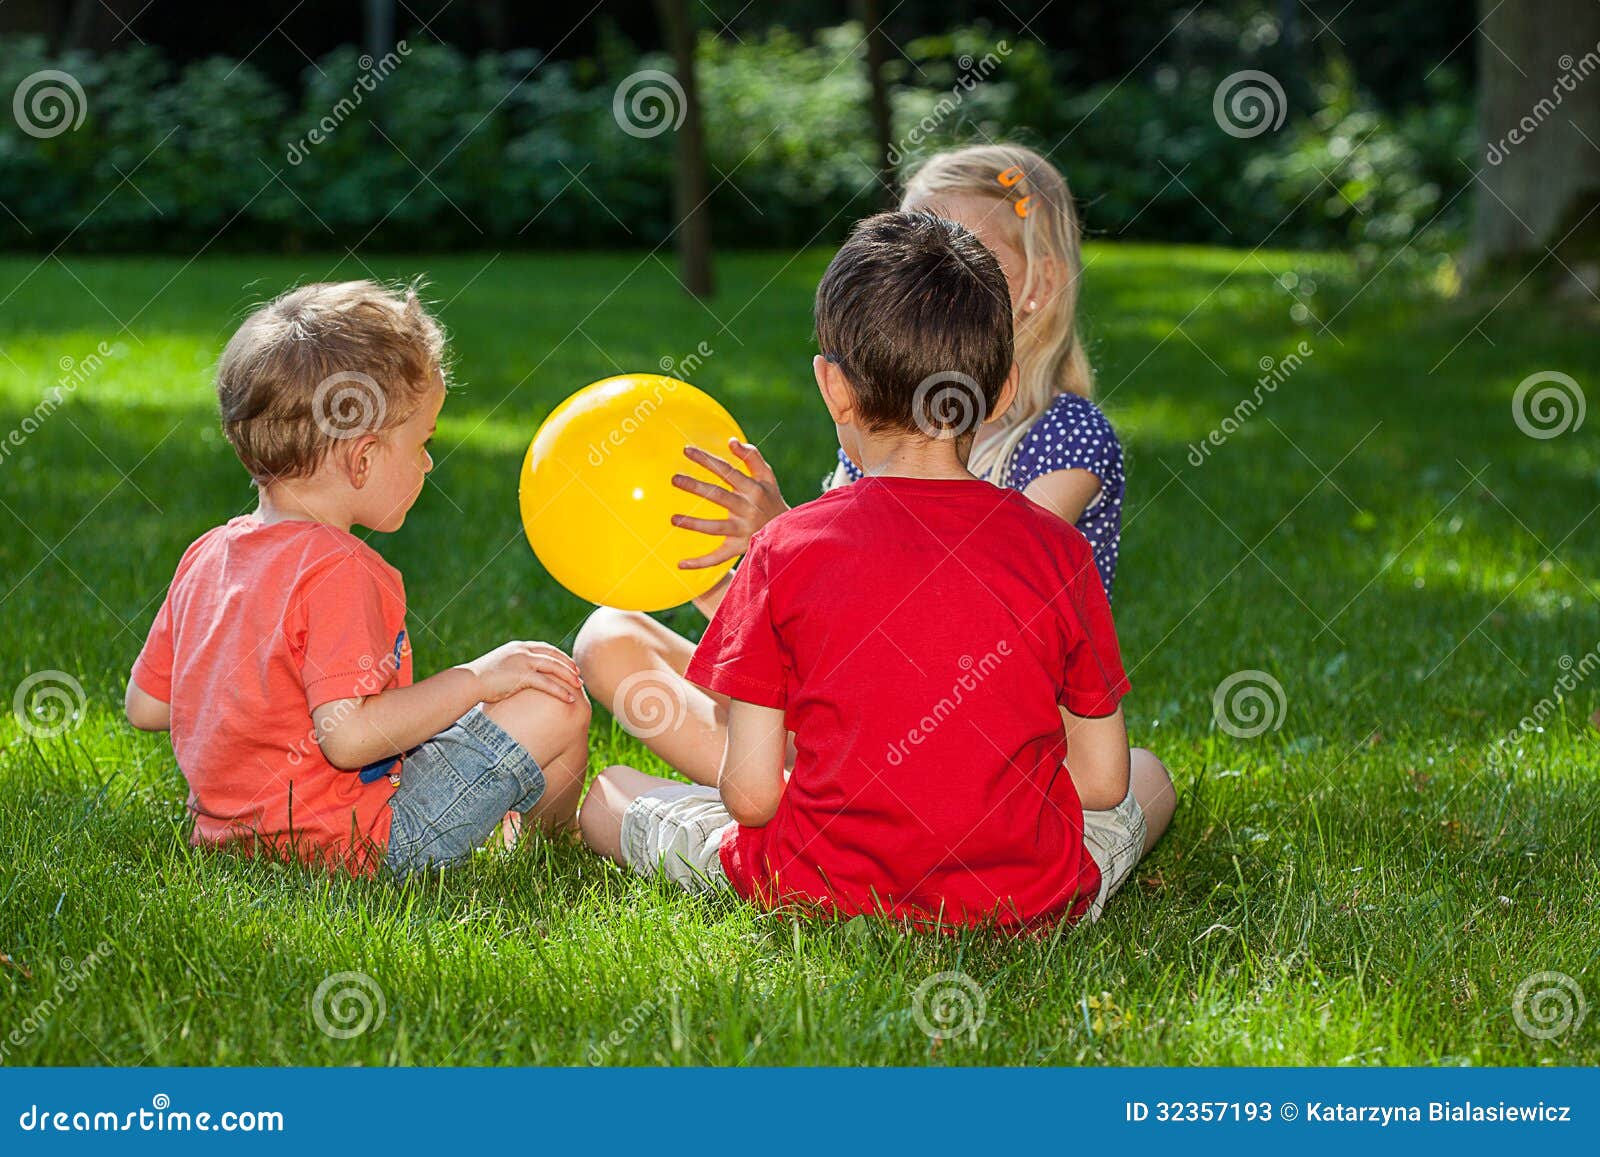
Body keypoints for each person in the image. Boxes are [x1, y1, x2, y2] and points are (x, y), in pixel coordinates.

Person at [578, 212, 1173, 927]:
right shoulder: (1057, 548)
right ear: (1005, 387)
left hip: (817, 882)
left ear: (833, 388)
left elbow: (753, 797)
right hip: (1029, 897)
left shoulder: (783, 546)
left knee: (609, 792)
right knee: (1148, 775)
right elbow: (1104, 782)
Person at [575, 143, 1128, 784]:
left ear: (1042, 283)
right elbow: (833, 629)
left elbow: (974, 585)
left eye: (966, 256)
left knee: (1140, 776)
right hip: (861, 701)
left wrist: (782, 534)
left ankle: (803, 809)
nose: (935, 283)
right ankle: (820, 798)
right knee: (610, 638)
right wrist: (733, 578)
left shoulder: (1069, 436)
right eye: (917, 254)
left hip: (993, 736)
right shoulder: (875, 428)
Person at [125, 281, 590, 875]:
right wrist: (477, 679)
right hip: (359, 845)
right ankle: (547, 850)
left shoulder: (208, 555)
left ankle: (521, 835)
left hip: (232, 838)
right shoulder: (338, 568)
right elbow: (346, 739)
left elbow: (146, 704)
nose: (427, 462)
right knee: (554, 696)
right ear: (363, 457)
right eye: (423, 442)